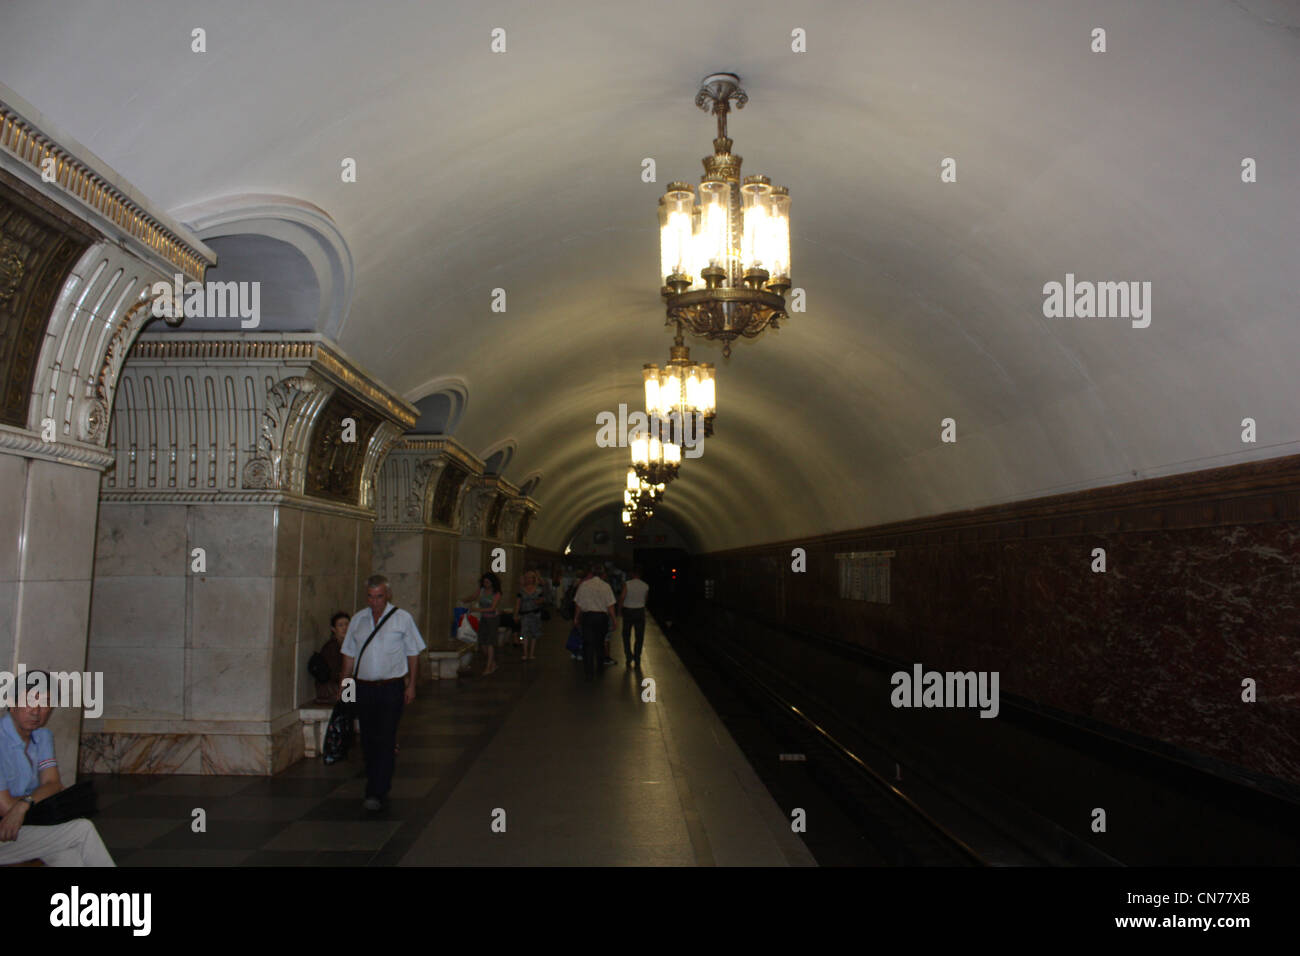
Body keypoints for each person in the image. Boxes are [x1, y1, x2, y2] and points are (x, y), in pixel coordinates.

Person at [0, 672, 115, 866]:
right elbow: (5, 808)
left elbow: (53, 783)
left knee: (68, 856)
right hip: (6, 833)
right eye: (29, 701)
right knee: (81, 829)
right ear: (11, 703)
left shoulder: (42, 737)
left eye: (45, 703)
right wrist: (26, 806)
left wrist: (24, 804)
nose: (36, 710)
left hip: (23, 827)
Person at [340, 575, 426, 812]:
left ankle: (377, 790)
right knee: (368, 738)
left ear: (387, 595)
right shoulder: (358, 620)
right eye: (370, 596)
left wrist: (411, 685)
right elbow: (348, 656)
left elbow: (413, 653)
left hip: (391, 687)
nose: (374, 602)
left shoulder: (402, 619)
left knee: (386, 737)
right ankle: (374, 779)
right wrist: (345, 687)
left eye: (379, 596)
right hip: (365, 688)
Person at [574, 564, 617, 679]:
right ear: (602, 574)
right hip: (602, 618)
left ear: (592, 573)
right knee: (600, 643)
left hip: (587, 617)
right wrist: (614, 620)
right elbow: (610, 605)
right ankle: (600, 669)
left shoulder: (584, 585)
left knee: (588, 644)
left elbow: (578, 603)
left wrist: (576, 617)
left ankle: (588, 672)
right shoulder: (606, 586)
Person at [464, 572, 502, 676]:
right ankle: (492, 663)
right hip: (484, 619)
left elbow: (492, 608)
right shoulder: (481, 591)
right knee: (482, 643)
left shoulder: (496, 593)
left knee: (490, 643)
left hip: (493, 619)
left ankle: (488, 667)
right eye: (484, 582)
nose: (486, 584)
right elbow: (473, 597)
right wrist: (463, 600)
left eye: (488, 582)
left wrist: (477, 609)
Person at [314, 611, 349, 703]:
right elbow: (334, 673)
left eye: (346, 624)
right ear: (333, 629)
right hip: (331, 687)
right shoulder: (331, 647)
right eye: (340, 625)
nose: (344, 628)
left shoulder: (349, 645)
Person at [620, 566, 650, 668]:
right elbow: (645, 600)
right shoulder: (645, 586)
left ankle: (629, 656)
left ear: (632, 574)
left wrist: (620, 609)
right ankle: (637, 658)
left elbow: (622, 597)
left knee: (626, 635)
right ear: (640, 575)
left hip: (628, 611)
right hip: (640, 612)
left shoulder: (627, 584)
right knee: (639, 636)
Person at [514, 570, 546, 662]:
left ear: (533, 579)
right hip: (524, 614)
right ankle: (525, 653)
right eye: (526, 578)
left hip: (535, 614)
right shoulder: (521, 590)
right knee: (524, 634)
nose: (528, 579)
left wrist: (539, 601)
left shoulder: (538, 589)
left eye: (530, 578)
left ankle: (531, 653)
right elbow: (518, 603)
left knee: (534, 634)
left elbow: (543, 599)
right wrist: (515, 614)